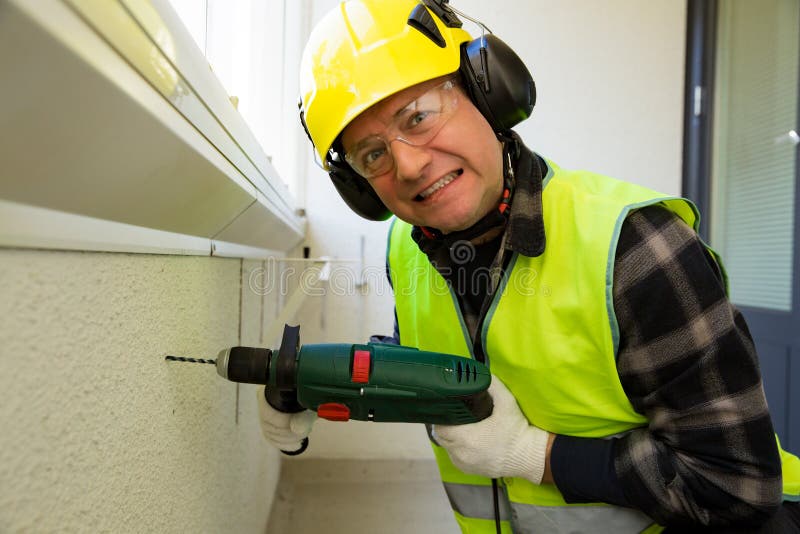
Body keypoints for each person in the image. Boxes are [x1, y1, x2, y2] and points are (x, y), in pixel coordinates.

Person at [257, 0, 800, 532]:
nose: (409, 164)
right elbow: (434, 367)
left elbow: (736, 489)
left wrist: (536, 455)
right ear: (357, 186)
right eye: (372, 154)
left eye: (418, 116)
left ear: (487, 90)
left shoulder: (639, 251)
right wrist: (315, 384)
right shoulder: (406, 246)